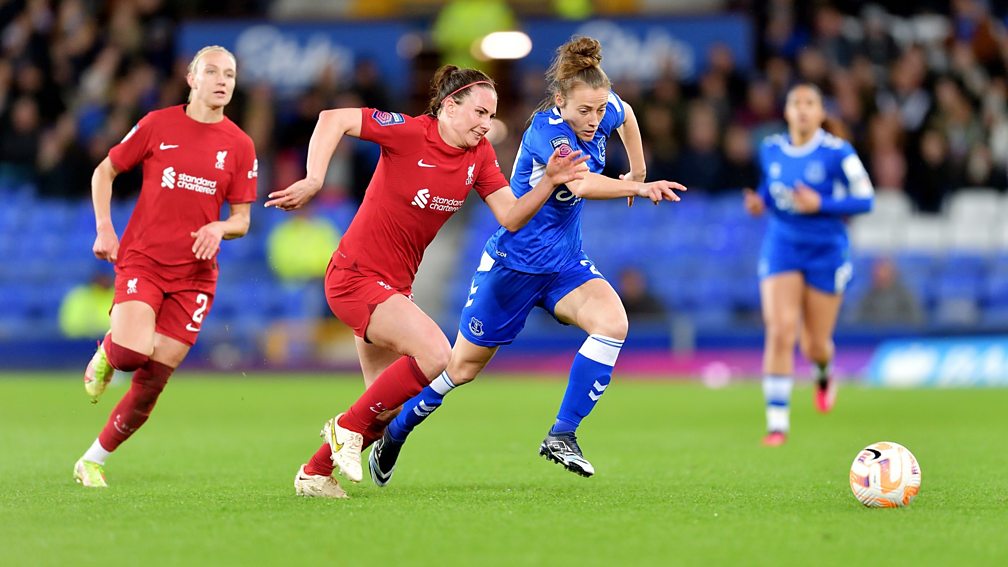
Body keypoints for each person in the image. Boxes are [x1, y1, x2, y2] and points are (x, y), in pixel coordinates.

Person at [368, 36, 685, 485]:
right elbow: (581, 185)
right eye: (584, 111)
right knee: (461, 369)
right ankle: (397, 432)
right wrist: (638, 187)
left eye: (599, 109)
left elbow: (628, 114)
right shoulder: (545, 132)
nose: (594, 119)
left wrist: (638, 169)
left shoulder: (603, 108)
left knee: (613, 323)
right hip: (512, 268)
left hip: (563, 265)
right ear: (560, 102)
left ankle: (563, 434)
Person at [265, 65, 592, 498]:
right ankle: (344, 427)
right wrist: (314, 179)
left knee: (385, 409)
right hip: (355, 277)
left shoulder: (479, 156)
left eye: (491, 115)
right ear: (449, 106)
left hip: (394, 288)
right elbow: (333, 118)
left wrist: (548, 181)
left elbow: (511, 216)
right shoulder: (408, 132)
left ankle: (314, 473)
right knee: (438, 355)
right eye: (479, 112)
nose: (486, 124)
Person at [72, 46, 258, 487]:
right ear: (191, 78)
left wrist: (220, 227)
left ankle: (92, 460)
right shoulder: (158, 124)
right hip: (144, 259)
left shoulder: (240, 145)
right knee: (131, 355)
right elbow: (104, 171)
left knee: (152, 382)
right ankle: (108, 351)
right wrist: (105, 229)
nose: (222, 80)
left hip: (196, 275)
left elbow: (242, 220)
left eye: (230, 74)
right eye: (212, 71)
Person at [742, 83, 874, 447]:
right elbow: (771, 187)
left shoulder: (837, 152)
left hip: (825, 251)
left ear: (820, 113)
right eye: (796, 103)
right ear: (786, 111)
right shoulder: (770, 148)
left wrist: (822, 205)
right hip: (782, 246)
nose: (802, 109)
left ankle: (824, 371)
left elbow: (866, 200)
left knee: (815, 344)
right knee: (781, 330)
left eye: (810, 103)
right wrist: (760, 203)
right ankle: (777, 425)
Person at [854, 257, 924, 326]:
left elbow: (916, 317)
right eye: (877, 273)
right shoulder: (867, 295)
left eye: (884, 272)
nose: (880, 276)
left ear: (892, 273)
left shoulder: (905, 294)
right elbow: (856, 318)